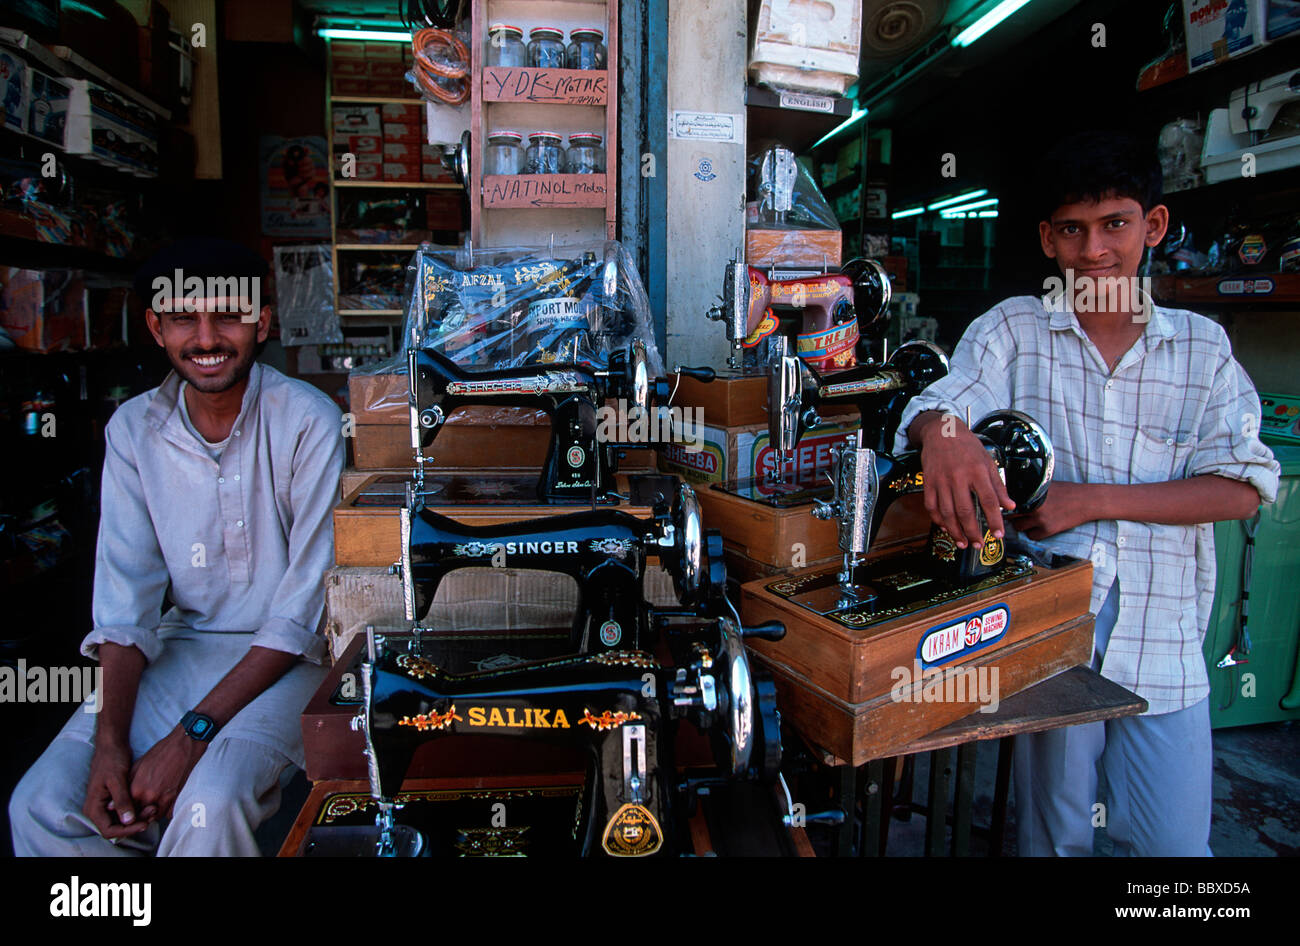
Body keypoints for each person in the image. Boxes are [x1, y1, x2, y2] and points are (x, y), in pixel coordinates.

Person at [893, 131, 1280, 856]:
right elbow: (941, 403)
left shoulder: (1201, 349)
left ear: (1153, 226)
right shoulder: (1014, 329)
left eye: (1115, 224)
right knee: (1056, 839)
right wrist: (945, 434)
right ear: (1048, 239)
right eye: (1073, 229)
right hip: (1055, 634)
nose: (1095, 250)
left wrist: (1089, 499)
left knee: (1173, 850)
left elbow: (1240, 490)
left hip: (1164, 634)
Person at [9, 238, 344, 856]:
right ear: (156, 328)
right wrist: (110, 743)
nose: (207, 337)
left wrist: (189, 737)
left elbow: (303, 612)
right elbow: (125, 604)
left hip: (296, 661)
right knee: (42, 805)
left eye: (229, 315)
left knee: (207, 803)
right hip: (184, 646)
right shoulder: (134, 429)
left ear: (261, 323)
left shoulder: (308, 420)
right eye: (185, 317)